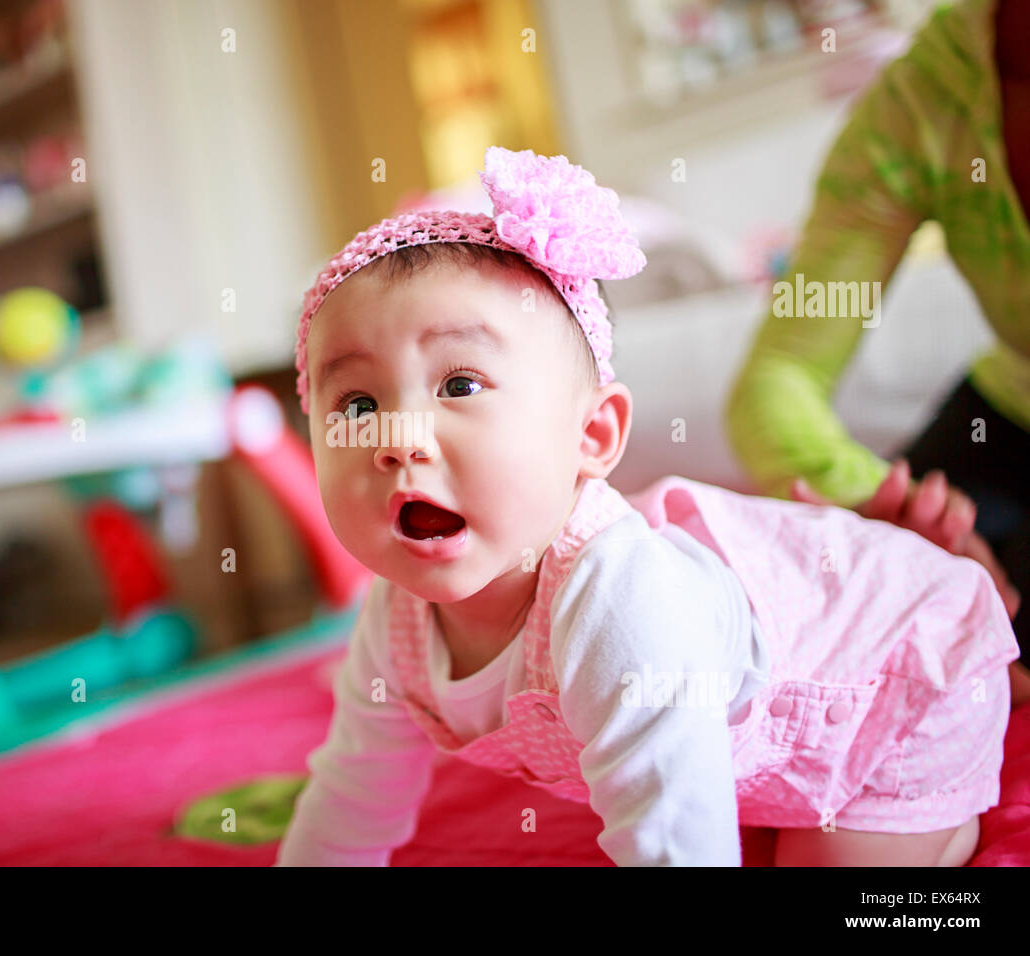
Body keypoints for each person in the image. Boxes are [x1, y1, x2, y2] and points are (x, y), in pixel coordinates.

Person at [274, 146, 1019, 866]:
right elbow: (352, 797)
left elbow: (672, 846)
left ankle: (954, 782)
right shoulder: (394, 616)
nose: (398, 440)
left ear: (593, 435)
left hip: (898, 672)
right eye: (360, 402)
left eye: (460, 385)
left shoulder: (620, 600)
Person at [725, 0, 1030, 702]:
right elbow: (782, 372)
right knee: (870, 602)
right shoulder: (921, 100)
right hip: (1005, 412)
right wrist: (874, 499)